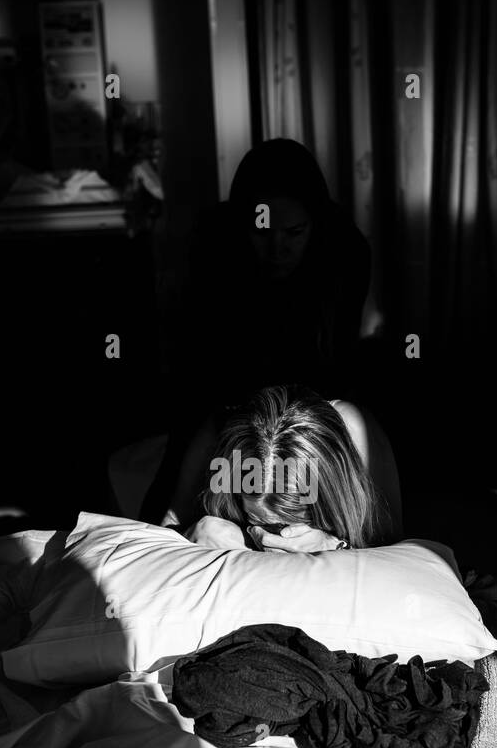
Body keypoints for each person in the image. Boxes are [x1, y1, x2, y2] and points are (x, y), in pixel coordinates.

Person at [142, 139, 372, 525]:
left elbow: (340, 366)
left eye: (294, 232)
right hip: (225, 393)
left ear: (315, 225)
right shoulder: (212, 248)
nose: (277, 249)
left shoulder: (345, 253)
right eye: (261, 231)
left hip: (314, 395)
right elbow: (199, 374)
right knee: (172, 511)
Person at [162, 384, 403, 551]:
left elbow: (393, 547)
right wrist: (193, 532)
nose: (274, 534)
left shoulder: (353, 428)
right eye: (256, 519)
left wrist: (333, 545)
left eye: (288, 523)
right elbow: (162, 532)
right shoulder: (213, 436)